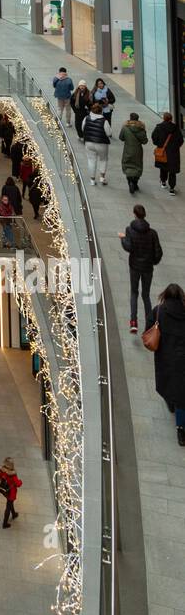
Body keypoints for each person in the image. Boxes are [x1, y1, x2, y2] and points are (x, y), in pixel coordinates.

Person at [120, 204, 163, 334]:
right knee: (146, 295)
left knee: (134, 293)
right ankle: (149, 324)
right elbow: (158, 252)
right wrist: (152, 262)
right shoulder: (152, 233)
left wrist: (122, 238)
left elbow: (128, 247)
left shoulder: (129, 230)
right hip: (147, 268)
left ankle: (133, 322)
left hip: (134, 266)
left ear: (134, 214)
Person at [150, 284, 185, 446]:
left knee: (171, 388)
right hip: (182, 358)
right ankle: (180, 427)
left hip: (165, 357)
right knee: (181, 395)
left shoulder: (159, 310)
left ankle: (172, 406)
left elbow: (149, 329)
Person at [151, 111, 184, 195]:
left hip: (163, 151)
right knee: (172, 170)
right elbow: (181, 140)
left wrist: (159, 145)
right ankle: (172, 188)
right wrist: (176, 147)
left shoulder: (159, 127)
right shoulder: (176, 128)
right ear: (171, 119)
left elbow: (154, 137)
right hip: (173, 153)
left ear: (164, 118)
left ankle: (163, 182)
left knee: (163, 167)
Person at [80, 102, 112, 185]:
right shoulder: (104, 121)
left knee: (91, 160)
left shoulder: (86, 118)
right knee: (103, 159)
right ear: (101, 111)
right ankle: (102, 177)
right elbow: (109, 133)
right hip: (102, 143)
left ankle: (92, 180)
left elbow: (83, 128)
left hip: (89, 142)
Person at [119, 113, 149, 194]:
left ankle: (130, 182)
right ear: (137, 119)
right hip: (138, 151)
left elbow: (121, 138)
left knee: (127, 164)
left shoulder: (125, 128)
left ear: (130, 118)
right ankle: (135, 183)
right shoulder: (141, 129)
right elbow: (145, 141)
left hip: (127, 150)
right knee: (137, 166)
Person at [0, 456, 22, 528]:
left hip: (4, 490)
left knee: (10, 503)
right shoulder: (13, 475)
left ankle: (14, 514)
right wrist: (20, 481)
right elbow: (18, 484)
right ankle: (5, 523)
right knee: (8, 505)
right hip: (11, 492)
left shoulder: (2, 470)